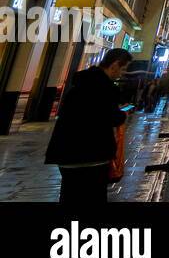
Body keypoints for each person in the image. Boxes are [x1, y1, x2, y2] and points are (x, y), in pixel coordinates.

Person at [44, 48, 133, 202]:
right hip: (92, 156)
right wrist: (122, 114)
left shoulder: (79, 84)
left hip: (66, 155)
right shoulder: (106, 88)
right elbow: (112, 118)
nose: (121, 75)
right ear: (115, 64)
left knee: (69, 196)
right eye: (122, 69)